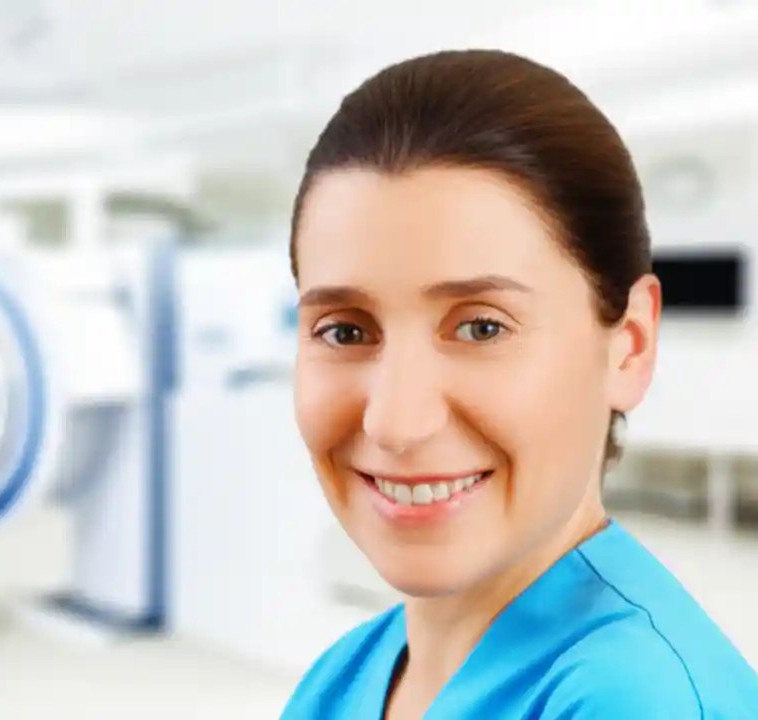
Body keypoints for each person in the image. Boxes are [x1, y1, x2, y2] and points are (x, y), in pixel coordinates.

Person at [281, 50, 758, 719]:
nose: (394, 421)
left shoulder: (641, 699)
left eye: (480, 327)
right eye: (345, 331)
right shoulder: (341, 678)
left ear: (630, 346)